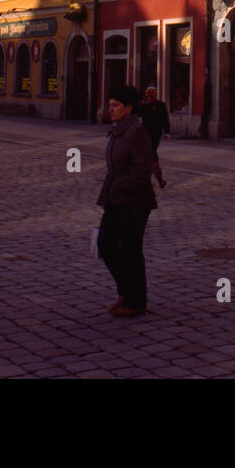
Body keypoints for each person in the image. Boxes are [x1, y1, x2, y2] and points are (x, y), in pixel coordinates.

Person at [96, 84, 157, 318]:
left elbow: (144, 167)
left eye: (115, 106)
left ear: (128, 108)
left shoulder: (136, 132)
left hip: (135, 202)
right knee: (106, 245)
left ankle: (136, 300)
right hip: (116, 198)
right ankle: (126, 290)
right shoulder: (117, 129)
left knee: (131, 250)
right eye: (109, 105)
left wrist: (121, 185)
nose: (110, 109)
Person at [138, 85, 171, 189]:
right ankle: (158, 180)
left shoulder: (161, 105)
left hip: (155, 134)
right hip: (144, 133)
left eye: (151, 95)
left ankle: (157, 180)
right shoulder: (143, 105)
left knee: (151, 154)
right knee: (150, 155)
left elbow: (165, 119)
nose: (149, 97)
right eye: (148, 95)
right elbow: (137, 115)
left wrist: (167, 132)